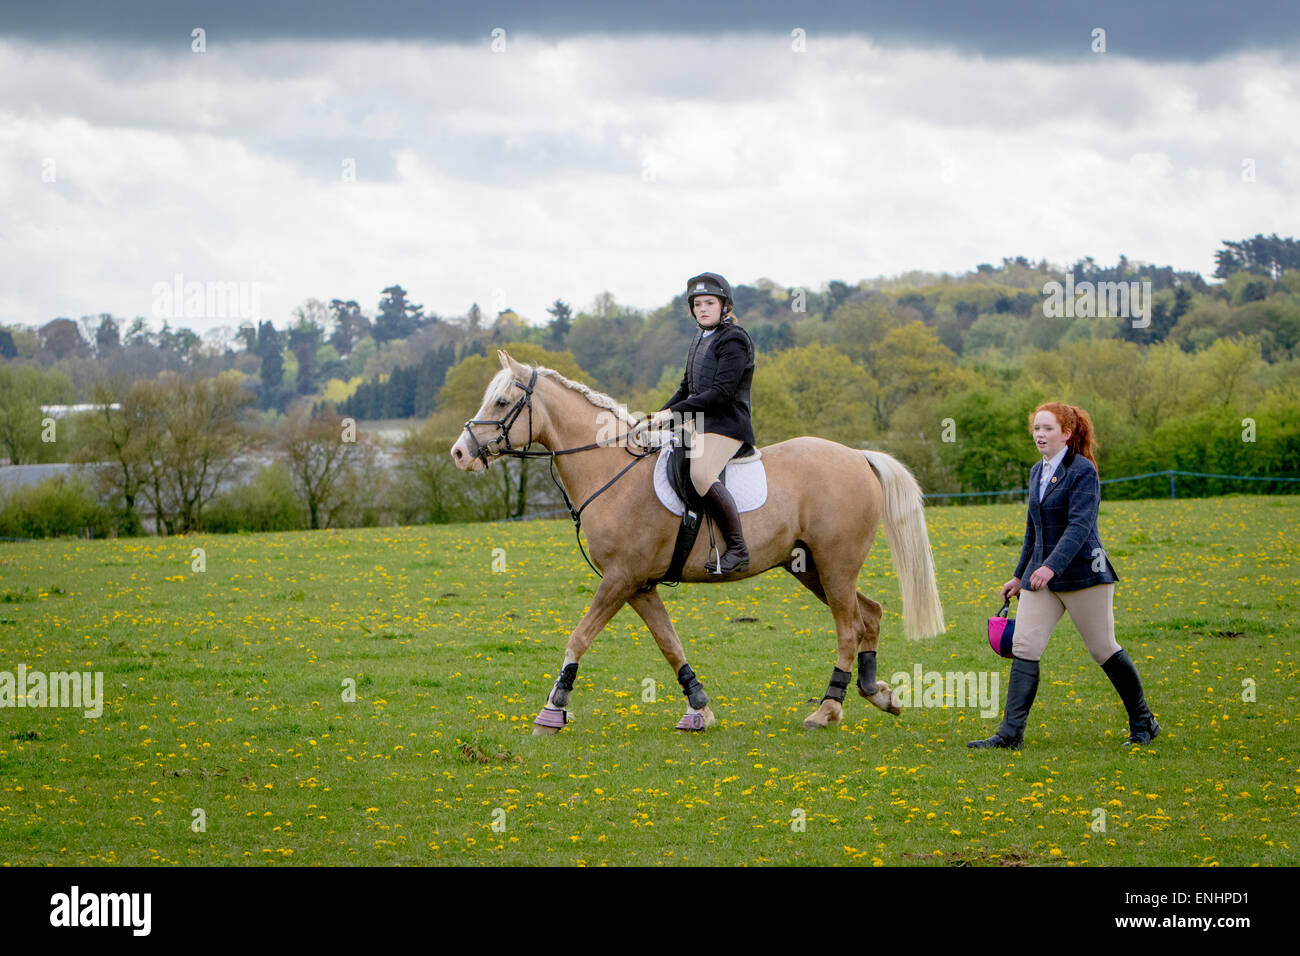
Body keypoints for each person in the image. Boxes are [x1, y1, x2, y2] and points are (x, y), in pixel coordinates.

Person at [969, 402, 1161, 750]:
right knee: (1025, 646)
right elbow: (1033, 529)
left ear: (1067, 433)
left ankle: (1144, 720)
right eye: (1036, 428)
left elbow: (1079, 526)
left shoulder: (1083, 470)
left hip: (1084, 573)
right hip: (1041, 577)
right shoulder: (1035, 472)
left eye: (1047, 429)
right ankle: (1010, 735)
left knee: (1102, 648)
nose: (1039, 435)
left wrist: (1050, 566)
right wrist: (1019, 575)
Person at [648, 272, 756, 574]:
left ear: (725, 306)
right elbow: (687, 388)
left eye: (709, 302)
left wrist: (673, 414)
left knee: (702, 472)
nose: (703, 308)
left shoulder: (734, 339)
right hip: (698, 421)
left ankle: (738, 548)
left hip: (727, 424)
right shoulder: (700, 338)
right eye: (697, 304)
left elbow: (721, 394)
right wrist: (658, 415)